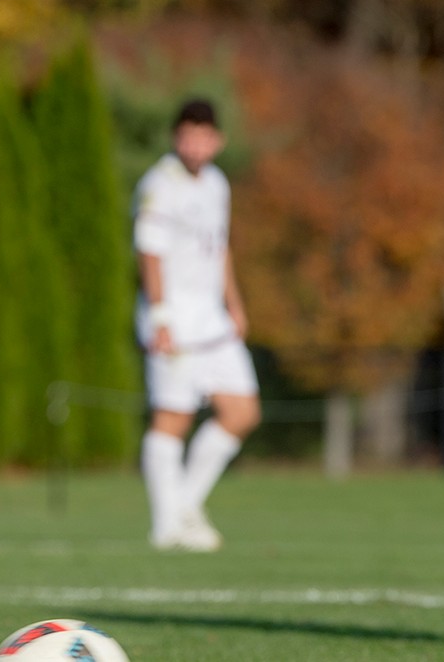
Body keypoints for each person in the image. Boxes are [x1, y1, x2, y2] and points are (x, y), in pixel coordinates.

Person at [133, 98, 258, 552]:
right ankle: (166, 526)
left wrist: (235, 305)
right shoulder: (160, 184)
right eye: (187, 137)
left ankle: (184, 505)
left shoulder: (217, 184)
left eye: (203, 137)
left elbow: (219, 248)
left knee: (243, 412)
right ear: (176, 138)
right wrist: (160, 317)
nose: (195, 146)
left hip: (212, 321)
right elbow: (149, 252)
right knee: (173, 419)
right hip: (174, 321)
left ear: (217, 141)